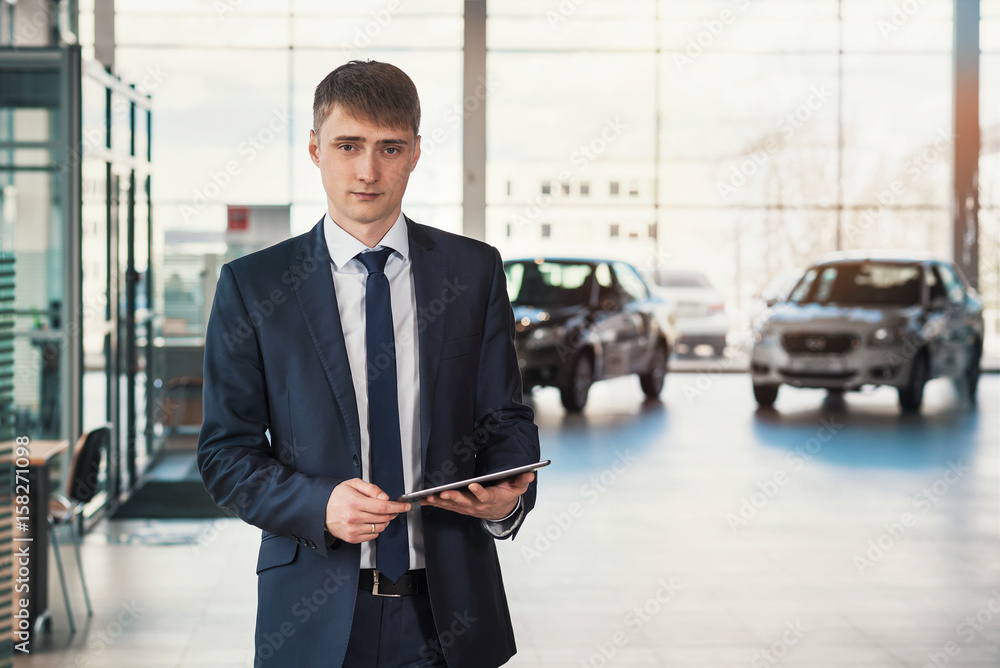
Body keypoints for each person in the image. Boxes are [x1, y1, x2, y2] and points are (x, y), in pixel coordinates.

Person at [197, 60, 540, 667]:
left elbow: (505, 418)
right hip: (313, 614)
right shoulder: (254, 287)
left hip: (450, 615)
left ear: (414, 154)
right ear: (315, 149)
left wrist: (504, 497)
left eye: (390, 148)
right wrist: (319, 504)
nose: (368, 171)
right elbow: (226, 454)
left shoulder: (473, 271)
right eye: (348, 145)